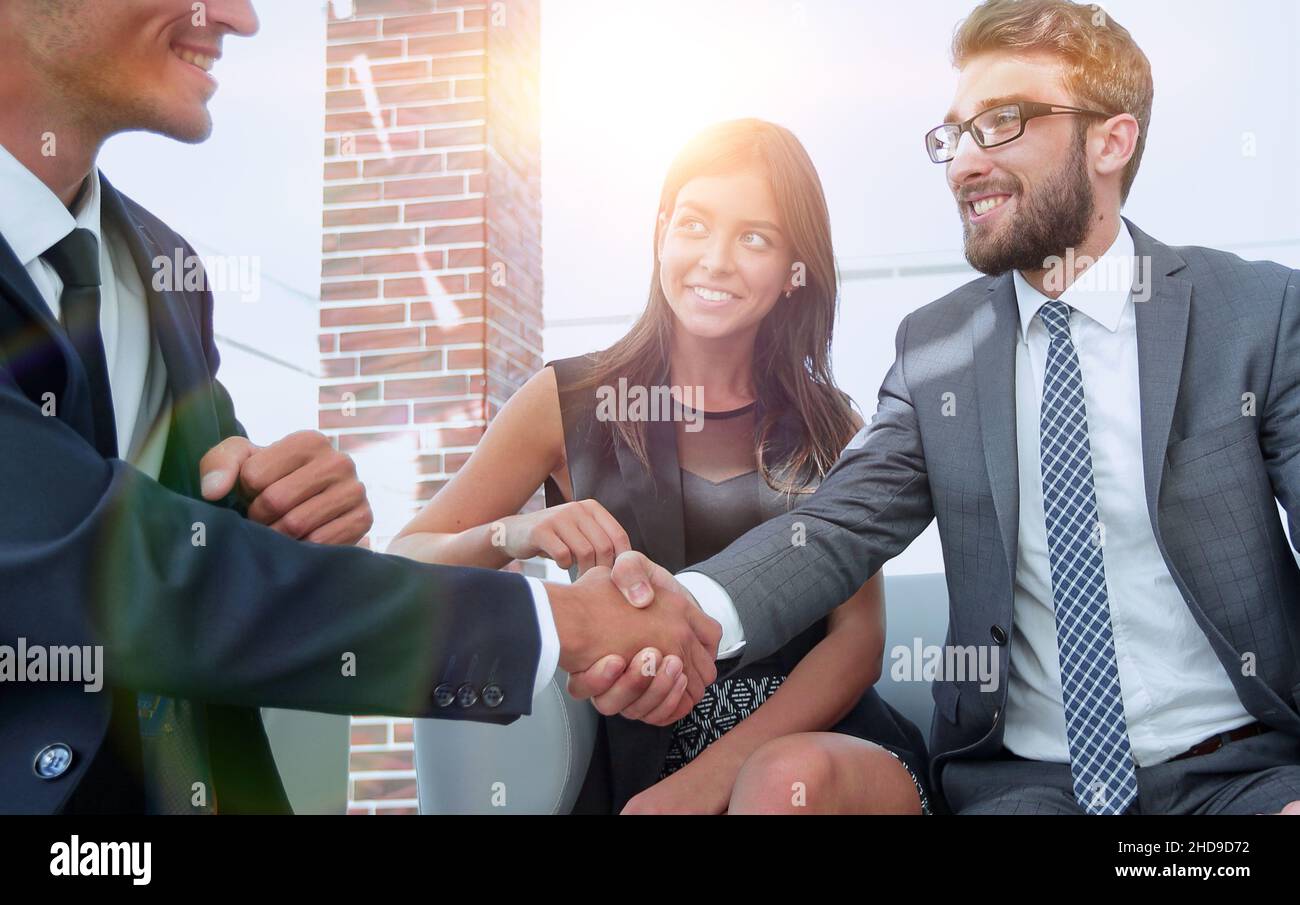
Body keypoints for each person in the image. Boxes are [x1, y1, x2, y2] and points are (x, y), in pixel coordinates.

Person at [572, 0, 1300, 816]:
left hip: (1244, 776)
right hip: (1030, 785)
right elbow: (838, 526)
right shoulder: (937, 349)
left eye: (1003, 123)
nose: (962, 164)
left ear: (1111, 140)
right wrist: (691, 609)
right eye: (955, 135)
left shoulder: (1256, 314)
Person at [0, 0, 718, 814]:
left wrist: (266, 512)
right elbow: (108, 564)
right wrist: (561, 622)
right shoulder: (565, 397)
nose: (239, 18)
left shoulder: (167, 267)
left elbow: (195, 555)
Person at [391, 119, 931, 814]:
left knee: (779, 785)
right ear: (660, 233)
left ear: (795, 269)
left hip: (828, 755)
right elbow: (405, 563)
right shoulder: (567, 404)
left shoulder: (836, 427)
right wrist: (516, 535)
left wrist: (704, 785)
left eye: (755, 238)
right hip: (640, 761)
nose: (715, 260)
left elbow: (857, 641)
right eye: (695, 224)